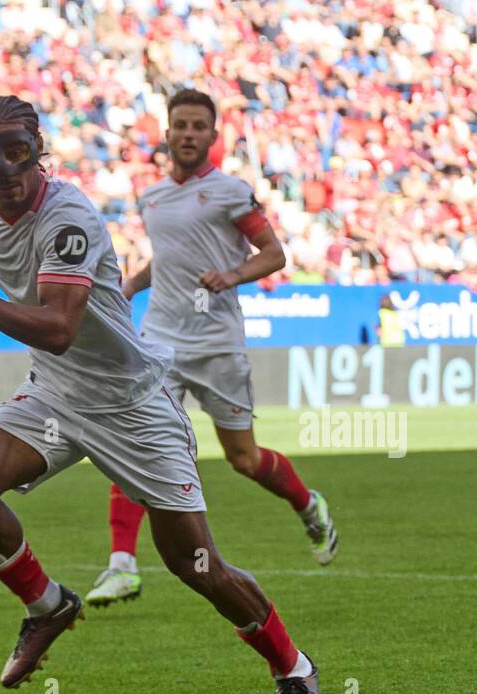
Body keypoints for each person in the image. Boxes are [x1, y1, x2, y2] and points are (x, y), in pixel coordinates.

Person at [0, 94, 320, 694]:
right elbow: (51, 342)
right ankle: (48, 605)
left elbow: (57, 327)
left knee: (196, 565)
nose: (4, 170)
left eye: (17, 152)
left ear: (39, 150)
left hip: (132, 402)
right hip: (55, 392)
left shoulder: (69, 218)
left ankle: (292, 666)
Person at [85, 89, 338, 609]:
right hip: (160, 343)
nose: (188, 134)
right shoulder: (151, 196)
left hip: (218, 344)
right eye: (180, 125)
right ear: (168, 131)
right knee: (138, 440)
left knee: (244, 459)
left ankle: (308, 504)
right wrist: (129, 287)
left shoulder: (229, 192)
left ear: (212, 136)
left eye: (199, 126)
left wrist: (232, 275)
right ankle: (121, 564)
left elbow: (273, 253)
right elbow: (169, 259)